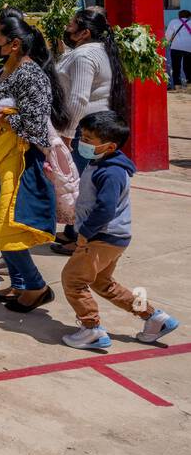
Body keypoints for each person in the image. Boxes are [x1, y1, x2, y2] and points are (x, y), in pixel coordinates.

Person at [0, 14, 67, 313]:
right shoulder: (4, 71)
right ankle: (20, 284)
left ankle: (36, 286)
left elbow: (35, 125)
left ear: (15, 44)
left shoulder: (31, 75)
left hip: (19, 160)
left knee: (10, 223)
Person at [60, 111, 179, 350]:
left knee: (73, 280)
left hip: (101, 237)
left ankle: (91, 328)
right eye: (82, 136)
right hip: (114, 238)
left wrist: (85, 233)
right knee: (104, 284)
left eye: (88, 139)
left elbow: (105, 208)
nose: (82, 142)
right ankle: (154, 318)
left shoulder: (110, 172)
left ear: (110, 146)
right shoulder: (102, 162)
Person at [52, 6, 129, 255]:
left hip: (83, 129)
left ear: (84, 32)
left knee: (79, 184)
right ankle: (74, 230)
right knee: (82, 181)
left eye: (72, 24)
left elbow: (78, 99)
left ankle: (80, 236)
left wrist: (67, 132)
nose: (67, 27)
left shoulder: (85, 55)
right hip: (93, 127)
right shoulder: (99, 51)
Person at [165, 9, 191, 89]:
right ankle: (190, 86)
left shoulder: (173, 22)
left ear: (179, 16)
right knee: (188, 67)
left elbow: (168, 35)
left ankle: (177, 86)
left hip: (176, 47)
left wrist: (167, 42)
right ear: (189, 16)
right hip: (189, 47)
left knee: (176, 67)